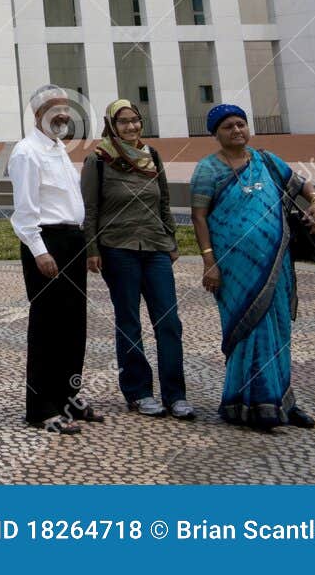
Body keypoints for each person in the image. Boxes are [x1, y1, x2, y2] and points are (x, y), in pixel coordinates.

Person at [189, 103, 315, 431]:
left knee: (278, 330)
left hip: (275, 265)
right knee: (246, 331)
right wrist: (209, 262)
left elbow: (302, 184)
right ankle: (248, 405)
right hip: (234, 270)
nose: (237, 130)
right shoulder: (207, 170)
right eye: (228, 127)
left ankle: (282, 401)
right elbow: (198, 216)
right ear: (215, 134)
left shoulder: (266, 161)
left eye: (241, 124)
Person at [82, 99, 193, 420]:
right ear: (111, 125)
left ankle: (176, 394)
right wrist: (92, 249)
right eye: (123, 121)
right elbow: (89, 208)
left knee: (169, 322)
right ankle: (139, 392)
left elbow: (164, 201)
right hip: (118, 249)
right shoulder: (99, 159)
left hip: (156, 248)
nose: (131, 127)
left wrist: (170, 239)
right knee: (129, 322)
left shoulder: (152, 155)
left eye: (135, 120)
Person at [9, 85, 103, 434]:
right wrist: (39, 251)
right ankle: (41, 407)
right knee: (47, 327)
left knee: (73, 324)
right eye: (54, 109)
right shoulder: (27, 152)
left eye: (65, 108)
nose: (63, 114)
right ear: (37, 114)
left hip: (72, 240)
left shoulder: (58, 148)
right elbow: (24, 212)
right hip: (47, 243)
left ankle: (68, 396)